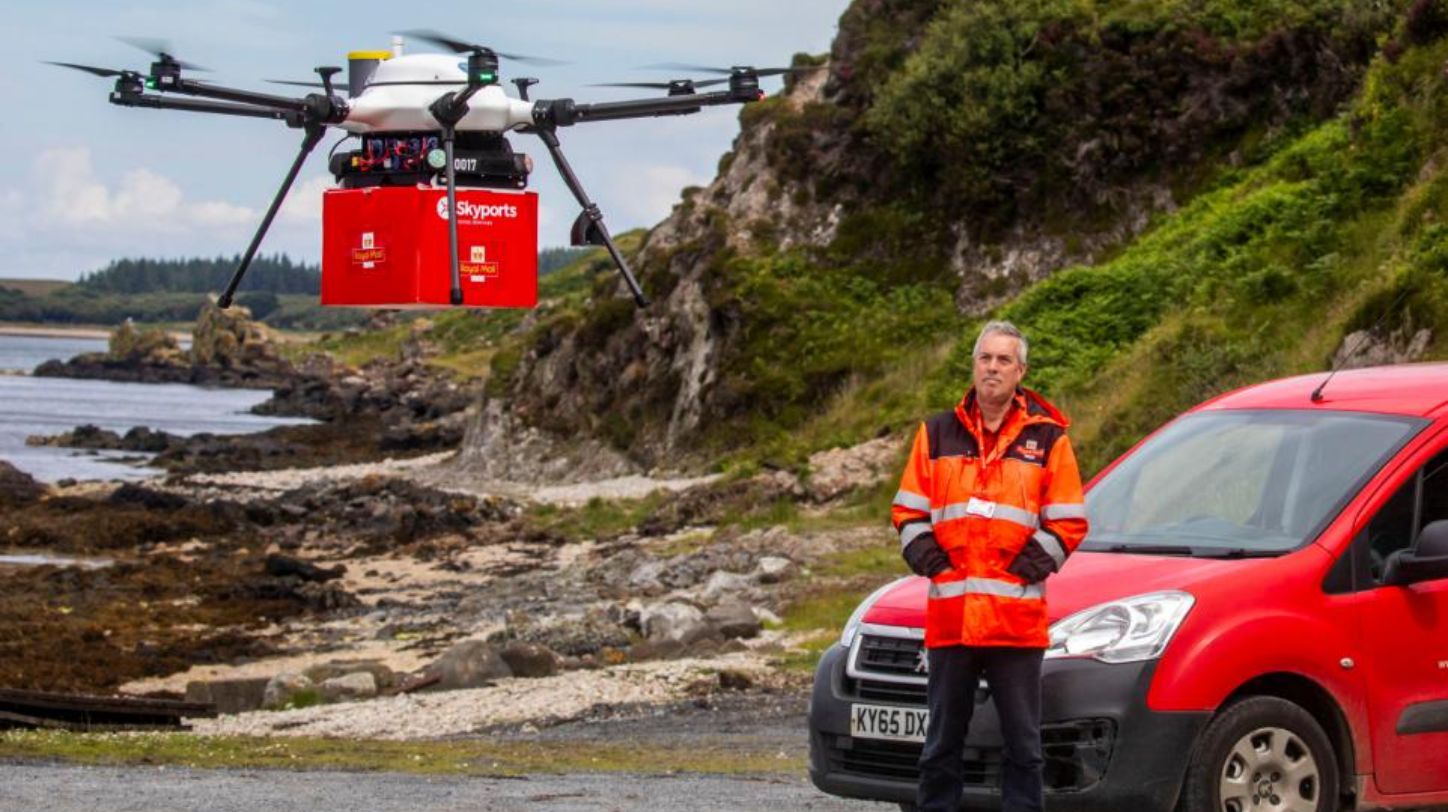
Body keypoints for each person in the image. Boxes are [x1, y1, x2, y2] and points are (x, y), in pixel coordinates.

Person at [892, 320, 1089, 812]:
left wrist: (1027, 567)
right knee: (940, 746)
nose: (994, 368)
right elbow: (908, 510)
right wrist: (929, 560)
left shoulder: (1048, 439)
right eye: (986, 358)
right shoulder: (935, 432)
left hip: (1015, 622)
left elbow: (1069, 520)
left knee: (1023, 748)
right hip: (951, 619)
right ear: (974, 366)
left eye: (1004, 360)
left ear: (1020, 371)